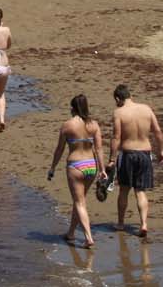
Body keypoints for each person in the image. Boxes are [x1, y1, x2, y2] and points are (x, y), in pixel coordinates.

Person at [47, 94, 105, 247]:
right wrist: (103, 169)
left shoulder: (68, 125)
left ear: (73, 108)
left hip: (76, 166)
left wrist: (52, 167)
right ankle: (71, 232)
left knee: (79, 203)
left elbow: (59, 149)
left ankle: (88, 238)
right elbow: (99, 149)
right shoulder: (94, 125)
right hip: (91, 165)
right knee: (80, 201)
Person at [109, 84, 163, 237]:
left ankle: (121, 223)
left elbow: (116, 138)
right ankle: (144, 224)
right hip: (145, 153)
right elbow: (158, 132)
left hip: (128, 153)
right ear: (130, 95)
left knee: (124, 190)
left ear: (117, 98)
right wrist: (160, 151)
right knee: (140, 191)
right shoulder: (146, 109)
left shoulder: (119, 113)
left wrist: (112, 159)